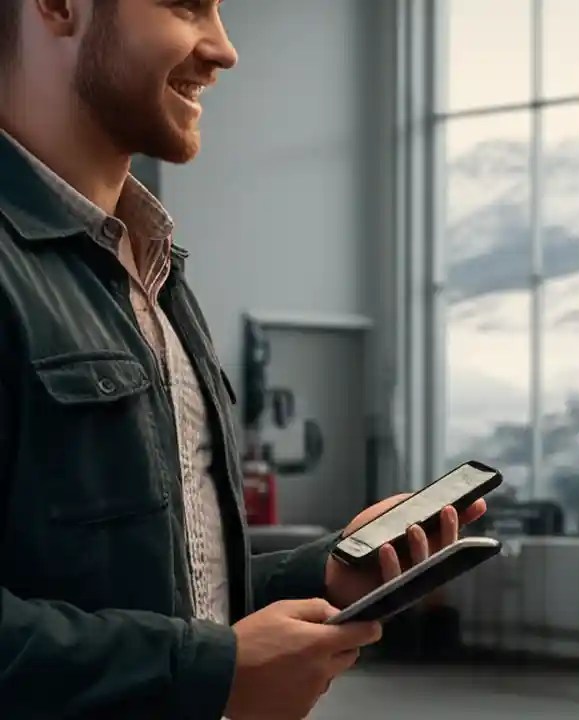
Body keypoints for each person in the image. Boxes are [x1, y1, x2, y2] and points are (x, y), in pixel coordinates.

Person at [0, 1, 485, 718]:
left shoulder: (153, 275)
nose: (224, 49)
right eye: (187, 4)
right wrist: (209, 671)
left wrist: (325, 572)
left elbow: (166, 588)